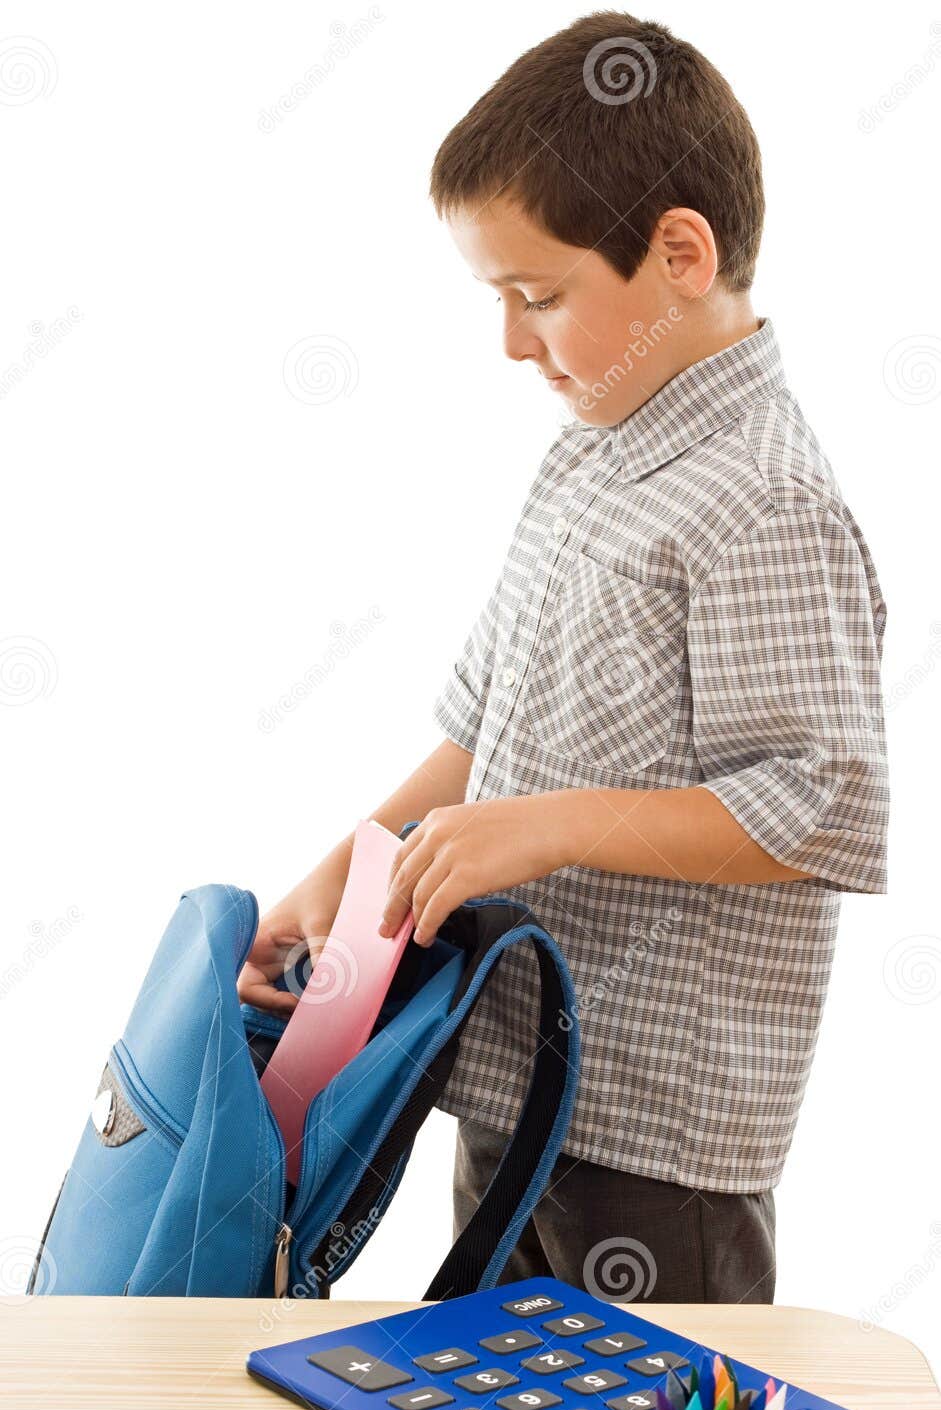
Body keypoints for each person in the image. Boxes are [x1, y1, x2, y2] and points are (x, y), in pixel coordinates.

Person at [238, 12, 888, 1304]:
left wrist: (549, 828)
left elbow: (820, 803)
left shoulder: (761, 500)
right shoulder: (592, 447)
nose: (511, 342)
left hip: (655, 1147)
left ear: (680, 254)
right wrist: (343, 866)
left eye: (537, 296)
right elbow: (487, 724)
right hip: (522, 1081)